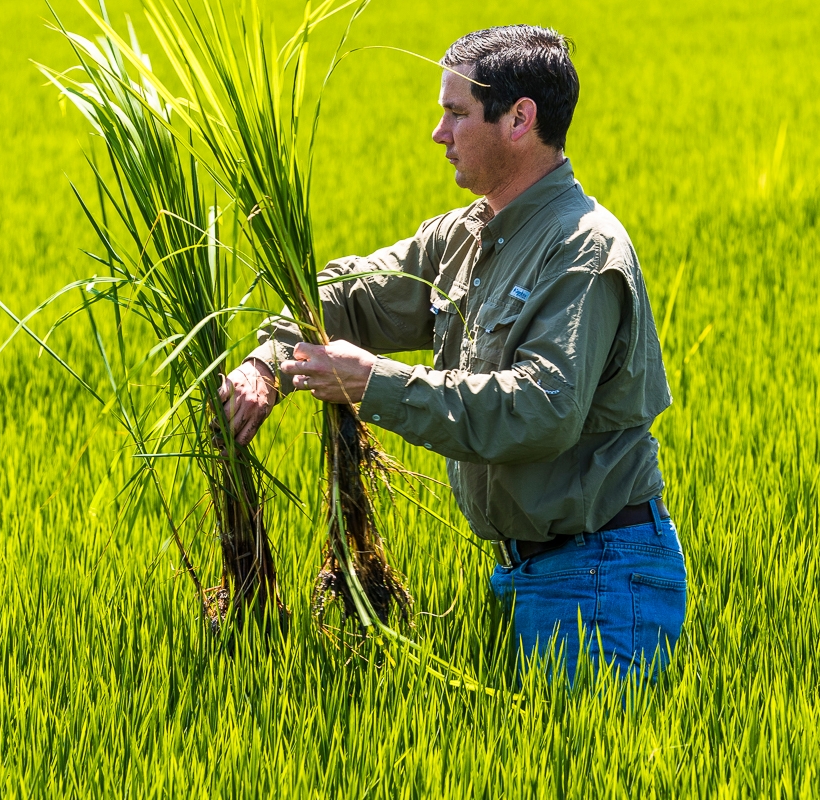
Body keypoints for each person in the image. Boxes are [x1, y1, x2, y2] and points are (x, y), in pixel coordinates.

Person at [219, 25, 685, 681]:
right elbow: (343, 297)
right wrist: (266, 363)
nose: (438, 133)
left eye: (456, 113)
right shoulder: (465, 235)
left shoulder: (582, 249)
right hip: (526, 572)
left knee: (585, 744)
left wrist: (373, 383)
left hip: (600, 576)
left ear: (519, 119)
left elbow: (541, 410)